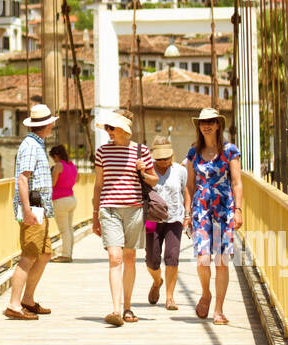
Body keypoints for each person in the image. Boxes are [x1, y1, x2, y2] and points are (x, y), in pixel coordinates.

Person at [92, 111, 157, 327]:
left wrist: (143, 171)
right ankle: (116, 309)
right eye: (107, 128)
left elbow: (154, 180)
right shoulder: (102, 152)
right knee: (115, 258)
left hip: (135, 210)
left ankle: (128, 306)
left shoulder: (141, 151)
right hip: (109, 210)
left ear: (123, 130)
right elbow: (99, 184)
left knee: (129, 258)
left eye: (112, 128)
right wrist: (94, 214)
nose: (108, 132)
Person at [185, 107, 243, 325]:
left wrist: (238, 210)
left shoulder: (230, 151)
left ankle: (218, 310)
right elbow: (189, 185)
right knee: (203, 260)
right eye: (202, 122)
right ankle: (205, 293)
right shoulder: (193, 152)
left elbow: (237, 182)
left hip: (224, 211)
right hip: (201, 211)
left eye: (210, 121)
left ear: (219, 124)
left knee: (221, 262)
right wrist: (187, 213)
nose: (206, 125)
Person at [5, 103, 59, 320]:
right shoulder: (30, 146)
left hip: (41, 207)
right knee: (28, 256)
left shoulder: (37, 144)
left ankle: (27, 300)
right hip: (33, 208)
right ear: (46, 125)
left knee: (45, 254)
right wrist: (27, 211)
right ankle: (14, 304)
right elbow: (23, 179)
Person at [145, 136, 187, 309]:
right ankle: (157, 282)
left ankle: (170, 297)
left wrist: (188, 215)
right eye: (159, 159)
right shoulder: (147, 171)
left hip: (174, 218)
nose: (162, 162)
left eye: (166, 158)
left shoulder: (180, 170)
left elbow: (186, 192)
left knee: (172, 257)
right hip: (152, 220)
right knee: (152, 260)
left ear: (172, 155)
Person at [49, 144, 79, 262]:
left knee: (64, 230)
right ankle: (69, 253)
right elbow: (77, 179)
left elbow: (53, 183)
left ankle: (66, 255)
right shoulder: (72, 166)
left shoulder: (58, 166)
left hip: (60, 200)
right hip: (71, 198)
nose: (54, 160)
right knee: (69, 228)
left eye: (53, 158)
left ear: (56, 155)